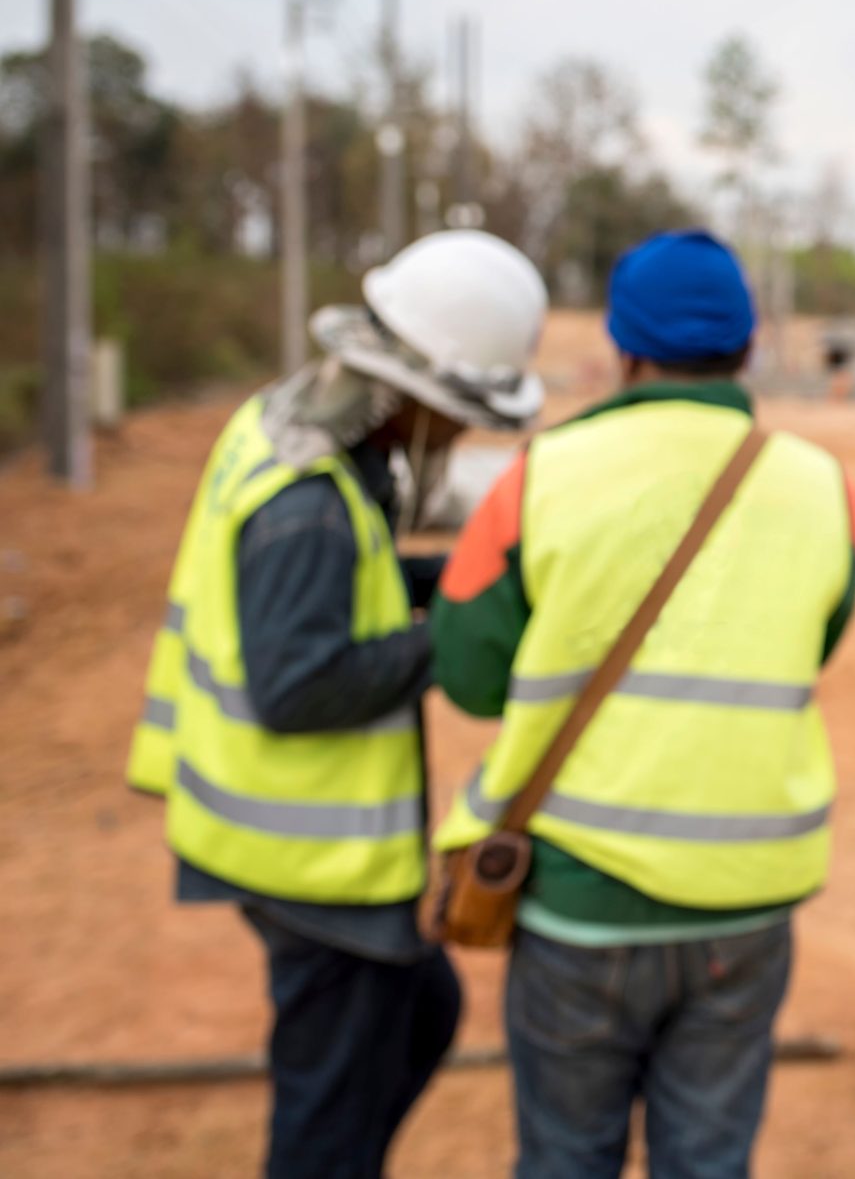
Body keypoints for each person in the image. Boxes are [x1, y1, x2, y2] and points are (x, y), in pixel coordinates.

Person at [432, 229, 855, 1179]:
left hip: (579, 905)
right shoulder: (824, 488)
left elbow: (465, 673)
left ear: (624, 349)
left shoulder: (540, 476)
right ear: (748, 349)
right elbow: (814, 639)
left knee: (564, 1157)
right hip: (746, 910)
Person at [126, 230, 550, 1179]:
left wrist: (446, 580)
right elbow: (298, 684)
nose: (457, 435)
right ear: (410, 392)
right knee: (328, 1106)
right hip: (312, 868)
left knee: (418, 1014)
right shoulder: (307, 503)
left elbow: (345, 587)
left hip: (291, 850)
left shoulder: (296, 431)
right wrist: (454, 637)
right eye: (455, 414)